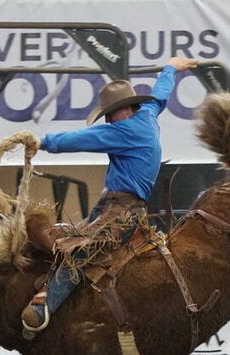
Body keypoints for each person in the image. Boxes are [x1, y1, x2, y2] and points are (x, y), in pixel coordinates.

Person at [20, 56, 199, 336]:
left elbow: (80, 139)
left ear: (125, 109)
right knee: (65, 235)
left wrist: (42, 142)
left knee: (80, 251)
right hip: (113, 208)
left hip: (120, 212)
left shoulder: (125, 131)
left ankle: (45, 308)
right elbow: (160, 95)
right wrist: (171, 68)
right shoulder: (148, 114)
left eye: (112, 112)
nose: (109, 118)